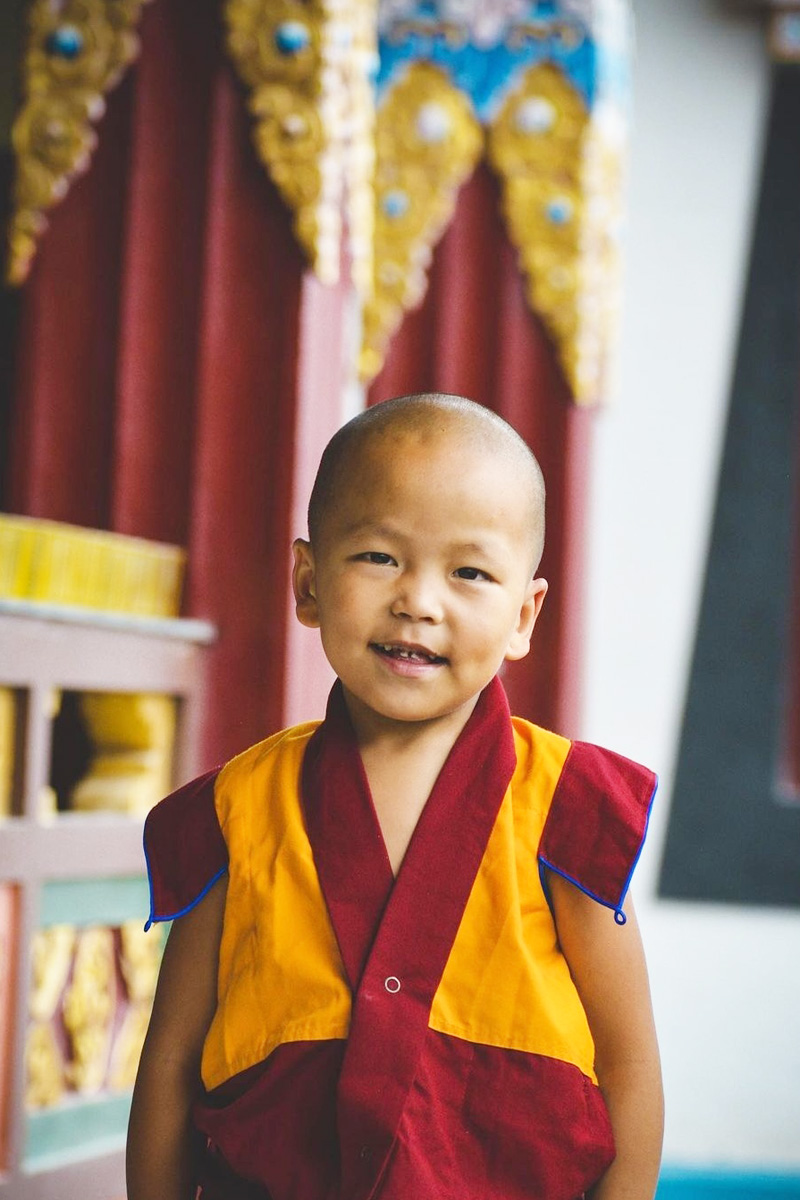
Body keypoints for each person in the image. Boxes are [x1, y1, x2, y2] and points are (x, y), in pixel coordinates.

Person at [127, 392, 663, 1200]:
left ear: (523, 615)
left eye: (469, 572)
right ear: (308, 582)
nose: (418, 600)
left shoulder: (567, 806)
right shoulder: (235, 810)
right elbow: (170, 1064)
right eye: (379, 557)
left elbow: (628, 1065)